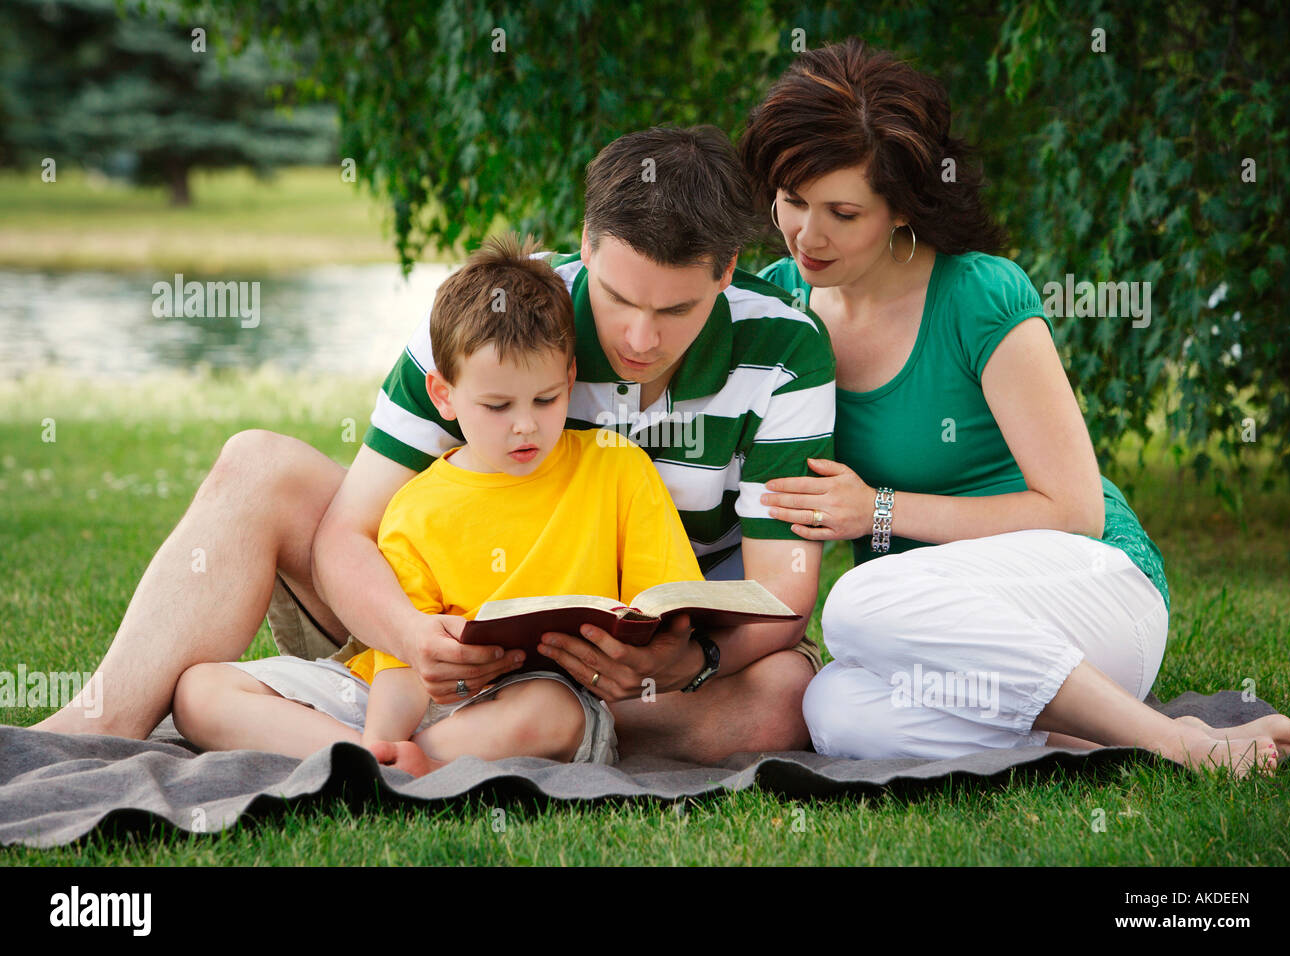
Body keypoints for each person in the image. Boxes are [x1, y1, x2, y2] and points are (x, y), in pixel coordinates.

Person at [37, 125, 836, 766]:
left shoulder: (784, 352)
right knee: (258, 463)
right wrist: (413, 637)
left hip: (632, 669)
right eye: (621, 298)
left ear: (727, 270)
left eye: (676, 312)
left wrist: (679, 667)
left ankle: (430, 744)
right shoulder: (496, 322)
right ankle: (91, 725)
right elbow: (349, 533)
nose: (637, 336)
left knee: (781, 699)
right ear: (587, 245)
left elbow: (781, 598)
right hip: (428, 624)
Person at [738, 38, 1290, 774]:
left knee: (852, 605)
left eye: (842, 212)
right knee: (835, 710)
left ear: (902, 206)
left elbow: (1074, 511)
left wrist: (877, 510)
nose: (808, 234)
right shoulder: (779, 304)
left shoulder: (979, 295)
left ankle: (1180, 743)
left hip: (1090, 595)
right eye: (792, 202)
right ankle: (1096, 732)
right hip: (938, 633)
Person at [171, 235, 705, 774]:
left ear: (570, 378)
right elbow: (401, 661)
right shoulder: (415, 505)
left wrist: (660, 644)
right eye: (497, 405)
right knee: (199, 692)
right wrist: (384, 732)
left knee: (552, 713)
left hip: (532, 698)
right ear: (444, 396)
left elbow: (665, 607)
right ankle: (372, 759)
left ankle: (395, 766)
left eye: (546, 400)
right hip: (408, 698)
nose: (525, 424)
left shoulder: (617, 467)